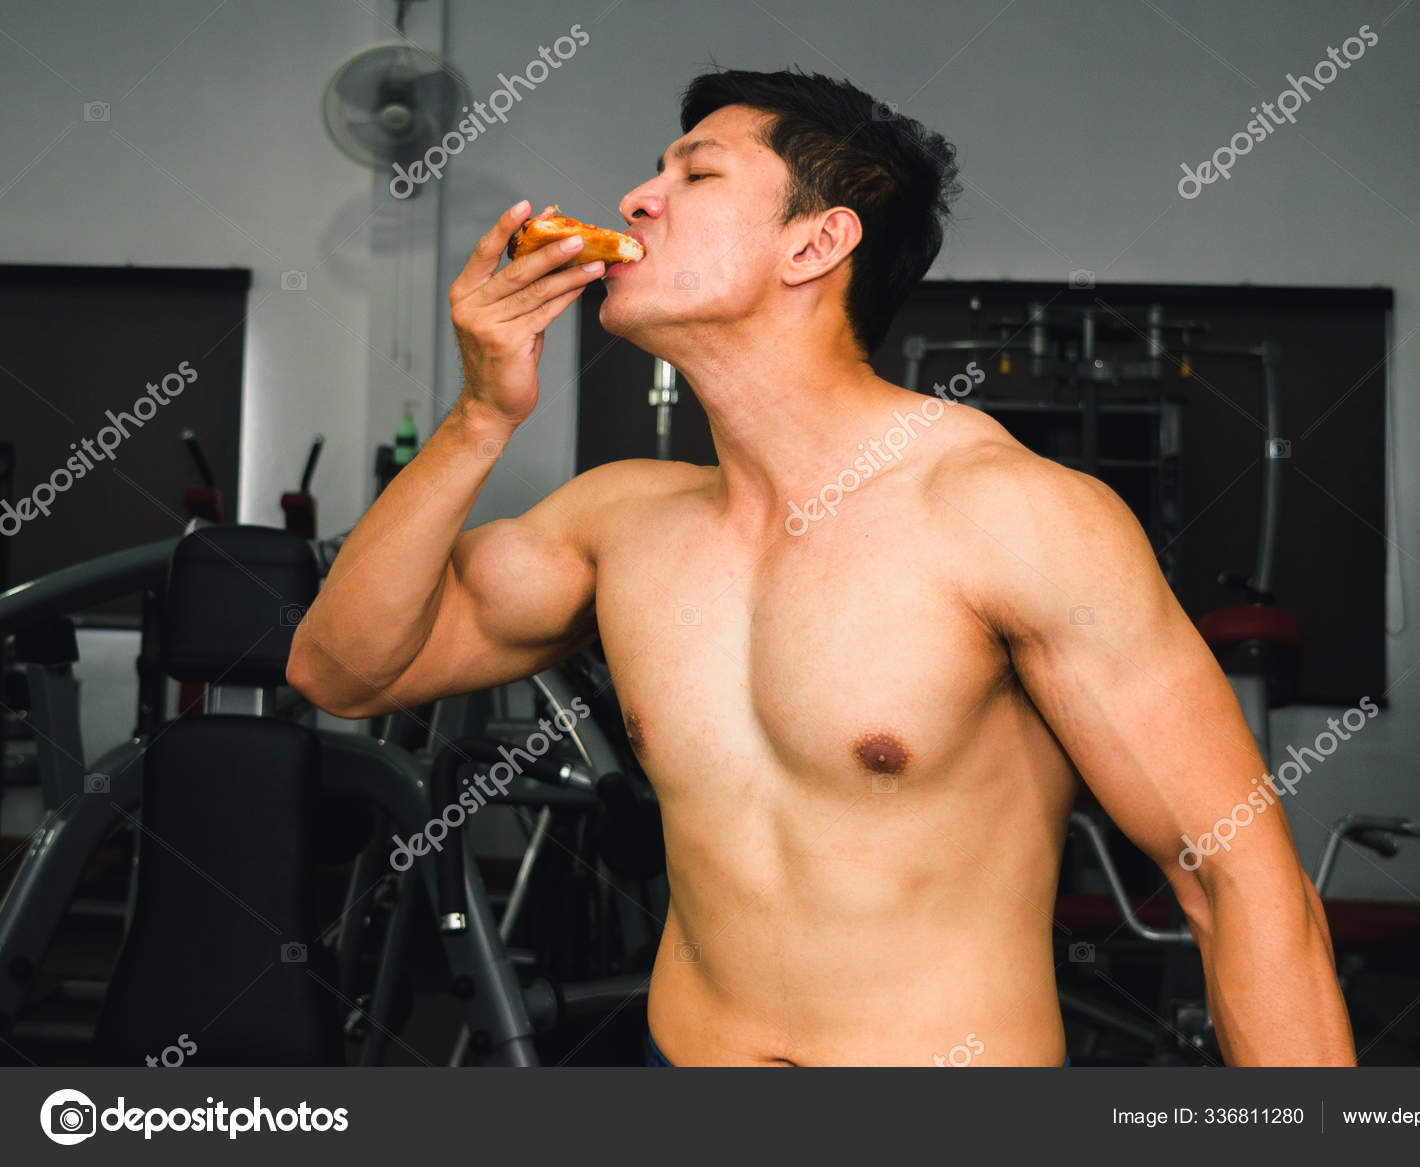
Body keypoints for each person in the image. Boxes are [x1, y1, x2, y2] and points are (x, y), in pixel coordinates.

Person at [287, 67, 1356, 1067]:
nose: (637, 198)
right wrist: (479, 420)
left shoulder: (1008, 516)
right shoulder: (620, 522)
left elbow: (1238, 883)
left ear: (815, 244)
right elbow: (345, 673)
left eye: (694, 173)